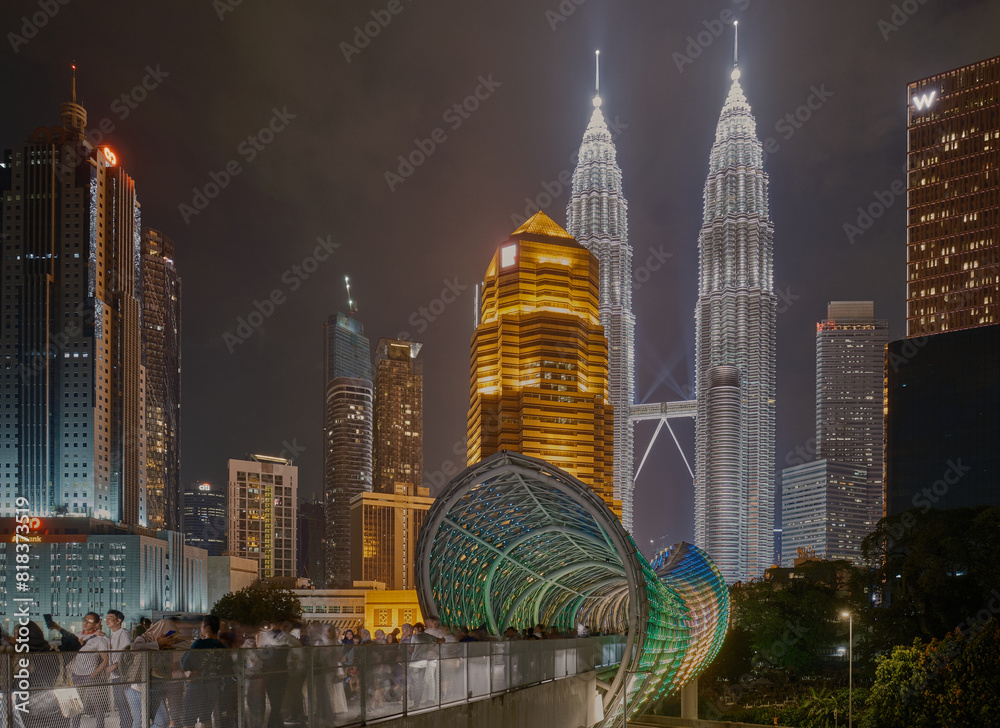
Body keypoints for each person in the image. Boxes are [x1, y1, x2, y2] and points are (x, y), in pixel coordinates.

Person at [132, 619, 184, 728]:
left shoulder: (169, 644)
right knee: (145, 722)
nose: (170, 639)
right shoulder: (144, 638)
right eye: (168, 635)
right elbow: (135, 647)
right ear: (160, 630)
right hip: (140, 687)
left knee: (159, 721)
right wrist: (158, 644)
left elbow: (186, 645)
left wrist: (165, 645)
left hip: (156, 687)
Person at [180, 616, 227, 728]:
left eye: (201, 626)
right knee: (206, 719)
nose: (200, 628)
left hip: (197, 687)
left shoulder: (199, 644)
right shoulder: (222, 646)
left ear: (208, 628)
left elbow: (184, 663)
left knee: (188, 721)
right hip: (214, 687)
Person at [69, 613, 111, 728]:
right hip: (76, 675)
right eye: (84, 620)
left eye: (90, 621)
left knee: (97, 704)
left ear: (96, 624)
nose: (86, 623)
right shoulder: (77, 636)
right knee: (76, 705)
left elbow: (105, 659)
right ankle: (74, 726)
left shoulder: (99, 639)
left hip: (90, 676)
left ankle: (100, 726)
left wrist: (94, 674)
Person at [105, 610, 136, 728]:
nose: (107, 620)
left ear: (119, 621)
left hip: (121, 674)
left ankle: (126, 725)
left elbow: (127, 652)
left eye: (110, 618)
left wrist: (116, 665)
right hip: (115, 674)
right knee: (120, 703)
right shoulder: (113, 635)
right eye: (106, 618)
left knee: (123, 703)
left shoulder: (123, 633)